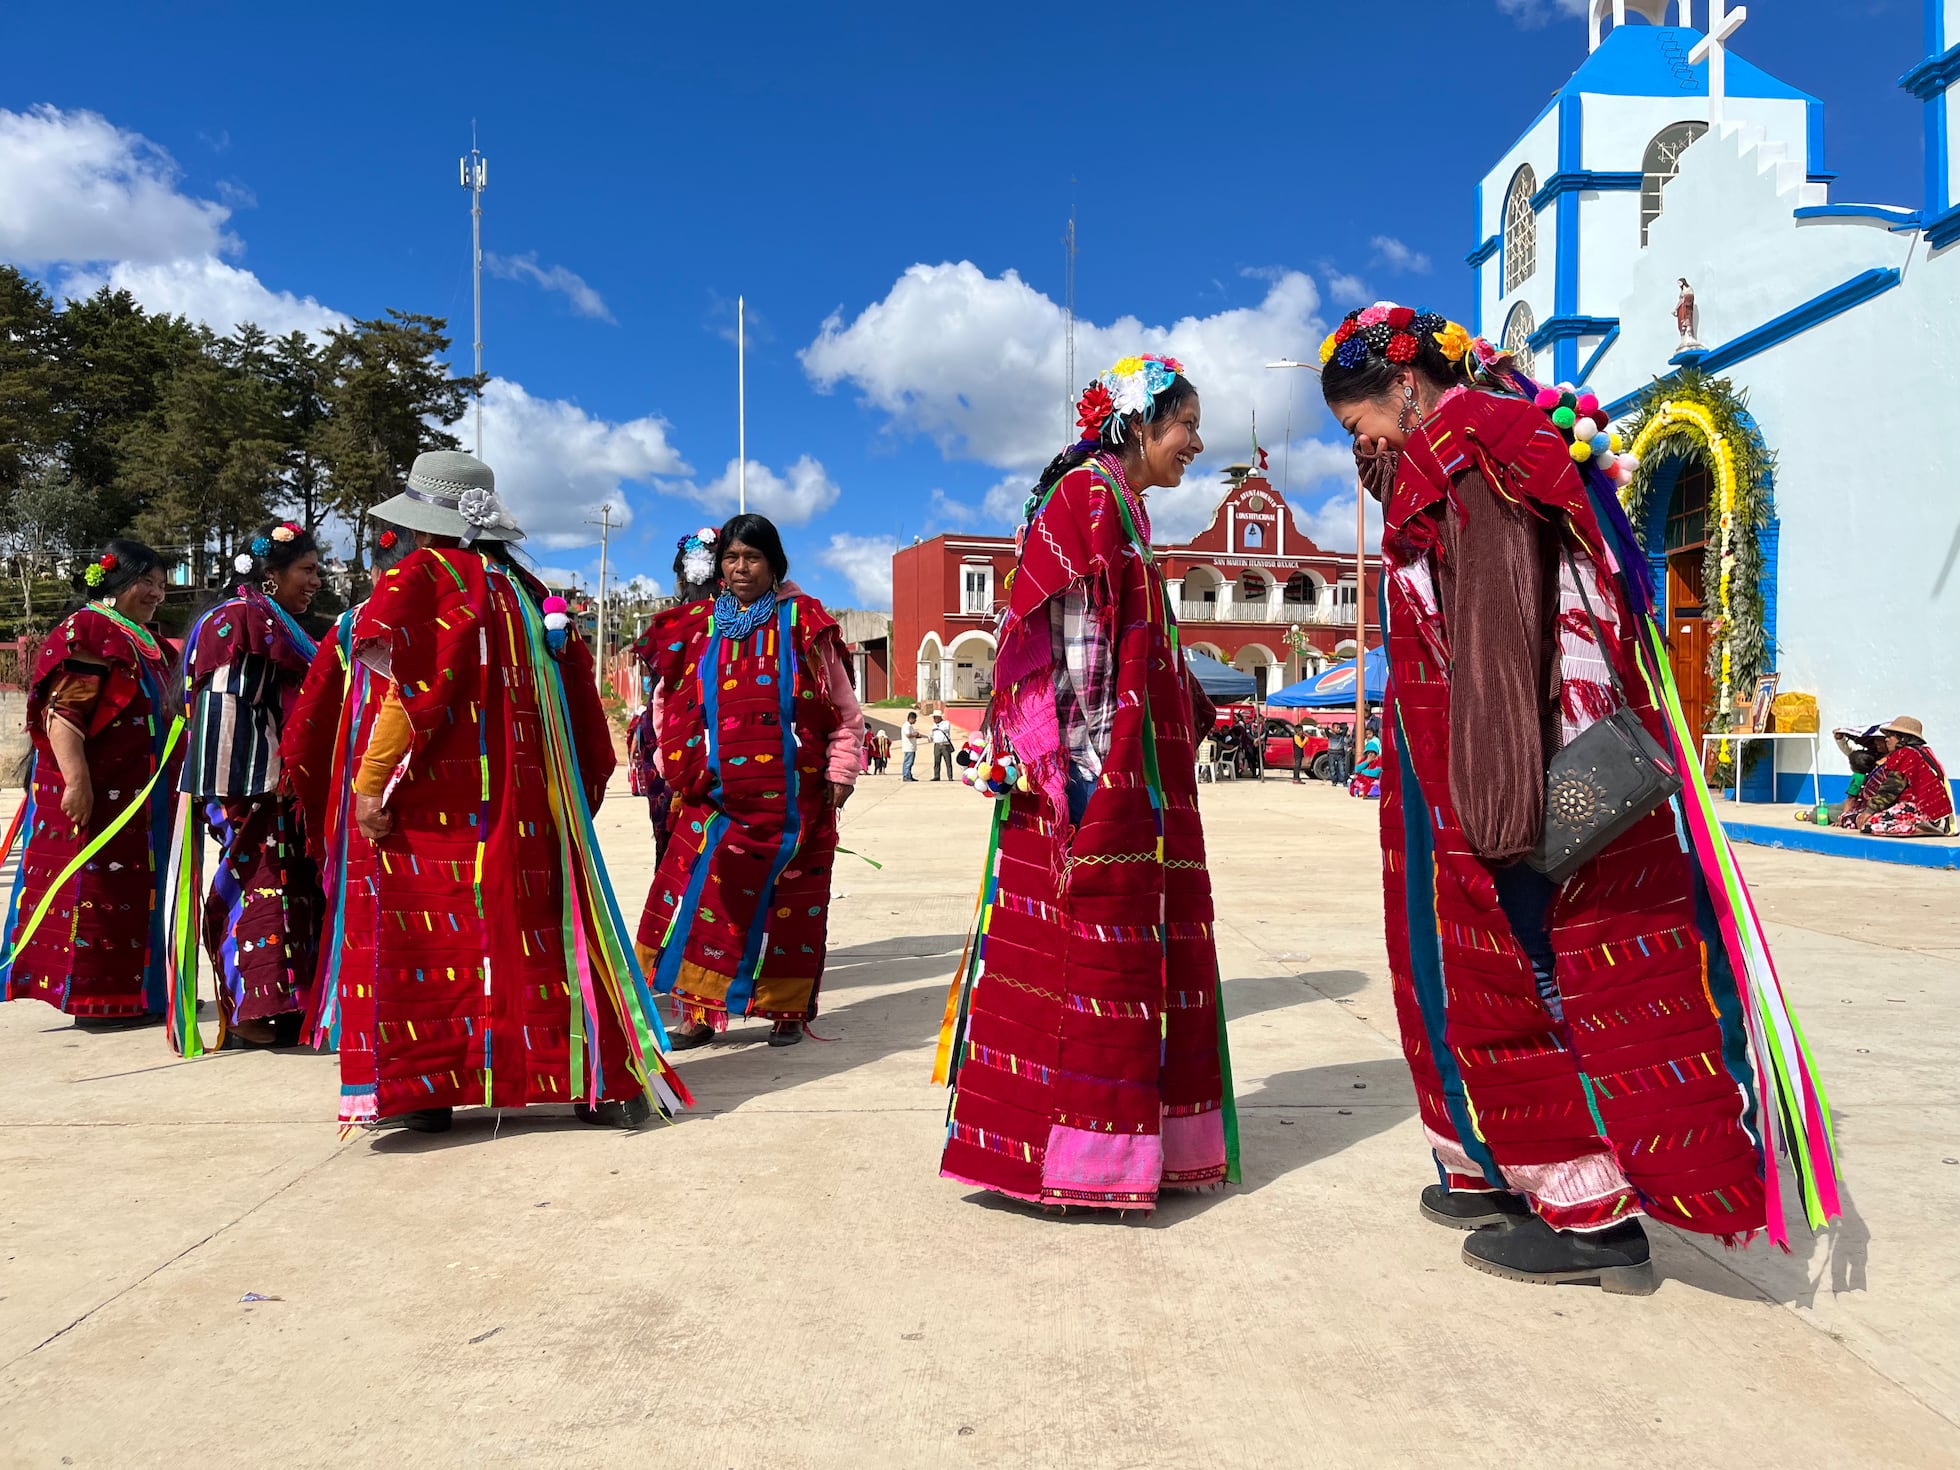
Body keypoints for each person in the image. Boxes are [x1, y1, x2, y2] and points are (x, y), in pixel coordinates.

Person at [1319, 301, 1837, 1287]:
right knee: (1517, 982)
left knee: (1533, 987)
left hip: (1513, 780)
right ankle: (1522, 1173)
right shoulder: (1507, 430)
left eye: (1360, 426)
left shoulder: (1472, 456)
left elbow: (1500, 635)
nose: (1366, 448)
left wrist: (1499, 807)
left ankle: (1589, 1216)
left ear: (1400, 385)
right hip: (1520, 769)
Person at [935, 351, 1238, 1211]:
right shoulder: (1094, 498)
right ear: (1139, 424)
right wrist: (1095, 779)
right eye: (1185, 425)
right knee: (1087, 967)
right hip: (1093, 781)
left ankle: (1135, 1153)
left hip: (1131, 778)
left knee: (1137, 964)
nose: (1196, 441)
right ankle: (1071, 1165)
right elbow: (1079, 655)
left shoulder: (1126, 508)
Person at [329, 450, 686, 1132]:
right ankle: (599, 1082)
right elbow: (580, 696)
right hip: (533, 806)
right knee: (548, 937)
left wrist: (370, 784)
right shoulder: (529, 592)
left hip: (443, 802)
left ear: (423, 524)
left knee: (434, 942)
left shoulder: (424, 576)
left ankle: (428, 1091)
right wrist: (579, 788)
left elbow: (410, 694)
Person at [633, 512, 864, 1049]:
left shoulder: (804, 623)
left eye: (752, 558)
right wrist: (676, 767)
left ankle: (786, 1009)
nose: (741, 568)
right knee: (697, 898)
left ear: (774, 563)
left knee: (792, 905)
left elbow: (844, 708)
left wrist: (841, 768)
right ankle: (697, 1014)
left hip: (795, 801)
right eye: (731, 558)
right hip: (714, 798)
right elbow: (669, 705)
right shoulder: (696, 626)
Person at [2, 540, 182, 1025]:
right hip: (103, 803)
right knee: (96, 894)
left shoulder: (144, 640)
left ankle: (141, 996)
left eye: (162, 585)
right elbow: (66, 713)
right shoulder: (92, 632)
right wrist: (77, 784)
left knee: (145, 895)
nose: (156, 594)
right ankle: (96, 1002)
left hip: (146, 807)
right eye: (147, 581)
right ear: (115, 581)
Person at [165, 520, 327, 1051]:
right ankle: (244, 1013)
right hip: (250, 787)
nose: (317, 579)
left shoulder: (270, 618)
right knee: (259, 887)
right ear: (271, 574)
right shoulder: (239, 620)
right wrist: (267, 778)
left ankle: (284, 1002)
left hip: (277, 787)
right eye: (307, 569)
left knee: (288, 891)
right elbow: (224, 709)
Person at [280, 522, 410, 1053]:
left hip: (363, 784)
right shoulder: (475, 616)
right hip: (452, 790)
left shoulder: (353, 625)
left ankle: (358, 1017)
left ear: (377, 574)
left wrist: (309, 780)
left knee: (366, 901)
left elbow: (312, 719)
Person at [1843, 717, 1952, 836]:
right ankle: (1918, 825)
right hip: (1933, 811)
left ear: (1903, 738)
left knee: (1869, 824)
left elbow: (1891, 789)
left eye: (1890, 736)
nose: (1886, 740)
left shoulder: (1905, 754)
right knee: (1851, 819)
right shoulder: (1923, 751)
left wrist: (1869, 811)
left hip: (1920, 808)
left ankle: (1921, 828)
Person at [1348, 730, 1382, 800]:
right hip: (1363, 781)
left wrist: (1363, 771)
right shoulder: (1364, 759)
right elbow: (1357, 769)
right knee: (1355, 784)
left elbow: (1376, 773)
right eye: (1369, 753)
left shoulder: (1379, 760)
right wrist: (1367, 761)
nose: (1370, 754)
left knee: (1375, 787)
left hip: (1374, 780)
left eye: (1373, 753)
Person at [929, 710, 956, 781]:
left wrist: (937, 727)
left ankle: (950, 776)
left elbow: (945, 729)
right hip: (937, 745)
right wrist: (930, 738)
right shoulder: (933, 726)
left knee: (948, 761)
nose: (934, 719)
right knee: (936, 761)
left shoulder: (946, 723)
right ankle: (936, 776)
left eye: (935, 717)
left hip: (945, 744)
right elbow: (931, 735)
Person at [1326, 720, 1352, 787]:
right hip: (1331, 754)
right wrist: (1329, 728)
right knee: (1332, 768)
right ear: (1333, 728)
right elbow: (1326, 730)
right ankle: (1334, 781)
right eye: (1337, 728)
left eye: (1339, 728)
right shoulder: (1330, 735)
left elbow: (1346, 728)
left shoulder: (1341, 735)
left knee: (1341, 768)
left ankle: (1343, 781)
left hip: (1340, 754)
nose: (1338, 729)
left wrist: (1342, 726)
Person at [900, 711, 924, 781]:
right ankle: (906, 776)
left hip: (911, 747)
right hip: (908, 747)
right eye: (915, 719)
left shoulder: (910, 726)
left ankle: (909, 775)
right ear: (911, 719)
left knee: (910, 763)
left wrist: (917, 736)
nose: (915, 721)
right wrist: (915, 734)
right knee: (908, 762)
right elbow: (908, 735)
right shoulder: (906, 726)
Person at [1290, 720, 1313, 784]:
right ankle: (1296, 778)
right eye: (1301, 731)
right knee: (1297, 765)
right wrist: (1306, 739)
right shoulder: (1296, 737)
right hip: (1297, 753)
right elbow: (1301, 745)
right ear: (1298, 731)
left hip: (1300, 753)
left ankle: (1297, 778)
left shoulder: (1299, 737)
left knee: (1299, 765)